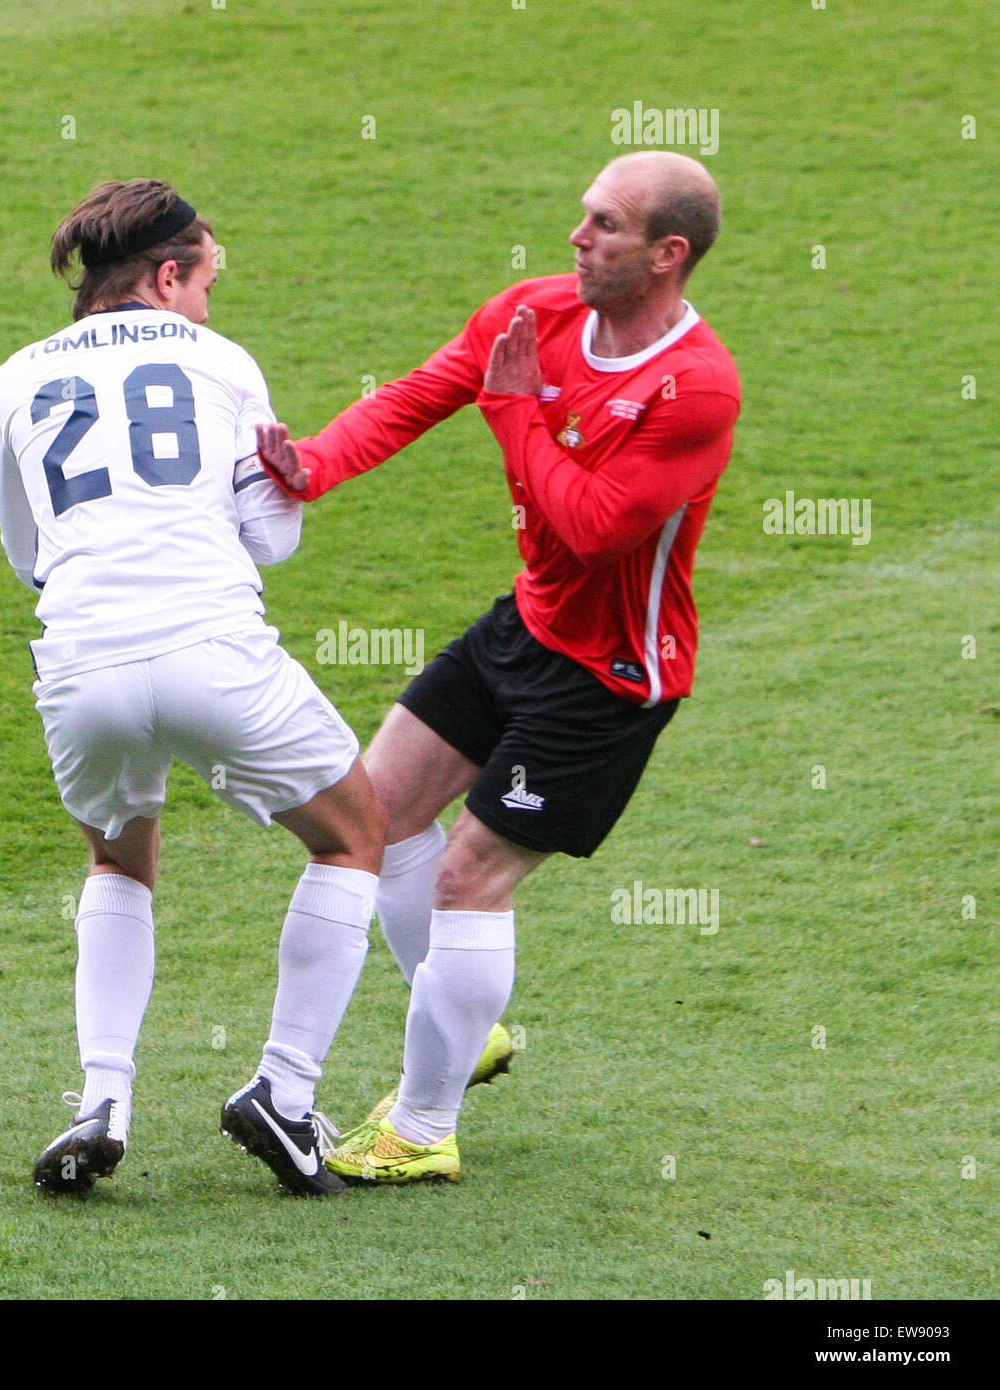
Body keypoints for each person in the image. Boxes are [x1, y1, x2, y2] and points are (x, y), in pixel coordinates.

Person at [256, 151, 741, 1184]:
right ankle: (461, 1028)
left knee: (467, 878)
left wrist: (515, 410)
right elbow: (421, 393)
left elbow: (596, 528)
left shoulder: (693, 387)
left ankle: (423, 1129)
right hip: (524, 628)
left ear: (667, 253)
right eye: (581, 216)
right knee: (370, 814)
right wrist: (319, 460)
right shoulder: (534, 312)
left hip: (609, 676)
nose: (575, 237)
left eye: (604, 225)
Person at [0, 178, 387, 1198]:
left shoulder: (11, 379)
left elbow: (28, 550)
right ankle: (283, 1093)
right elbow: (268, 533)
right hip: (213, 646)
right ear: (166, 275)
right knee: (353, 835)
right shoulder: (223, 362)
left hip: (80, 661)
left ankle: (100, 1102)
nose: (209, 299)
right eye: (205, 278)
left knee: (119, 865)